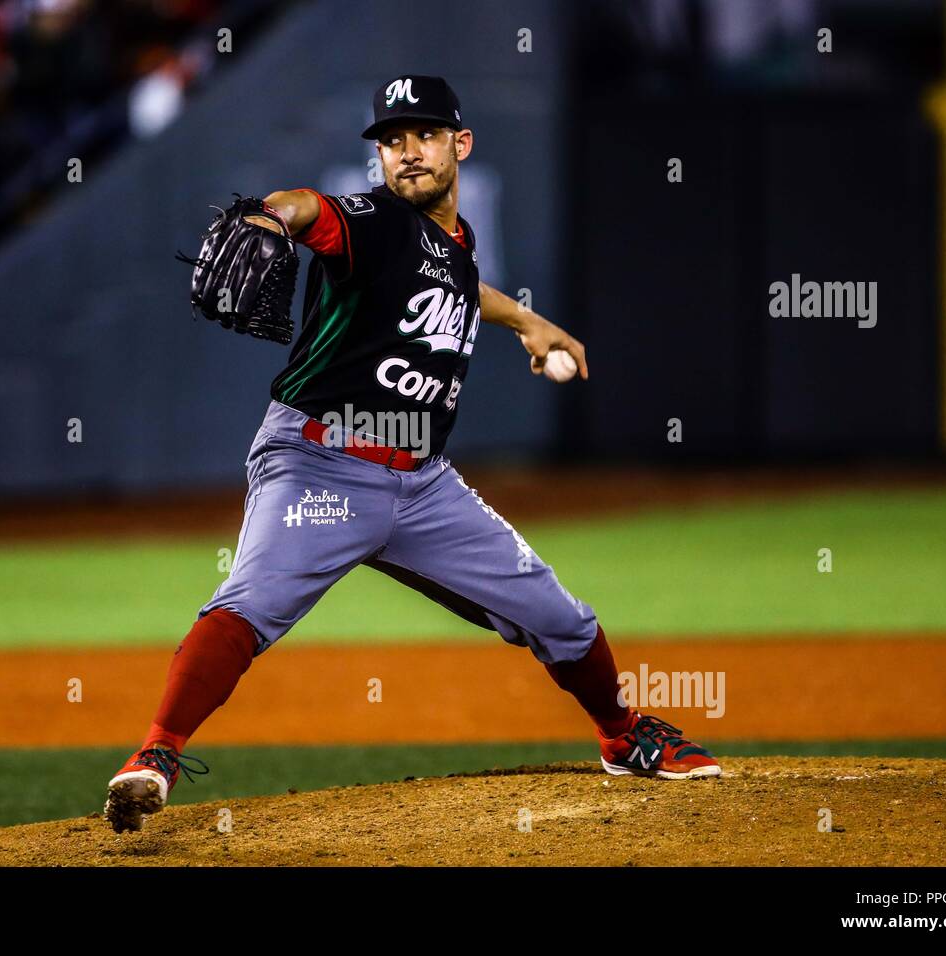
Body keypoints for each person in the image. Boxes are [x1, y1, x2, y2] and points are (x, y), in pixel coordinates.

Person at [105, 75, 719, 834]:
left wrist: (526, 320)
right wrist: (270, 217)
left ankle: (624, 739)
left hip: (424, 486)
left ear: (460, 145)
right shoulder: (376, 221)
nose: (407, 153)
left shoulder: (453, 244)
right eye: (392, 141)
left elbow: (460, 286)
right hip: (319, 465)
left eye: (424, 135)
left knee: (560, 616)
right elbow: (309, 209)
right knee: (246, 607)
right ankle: (155, 756)